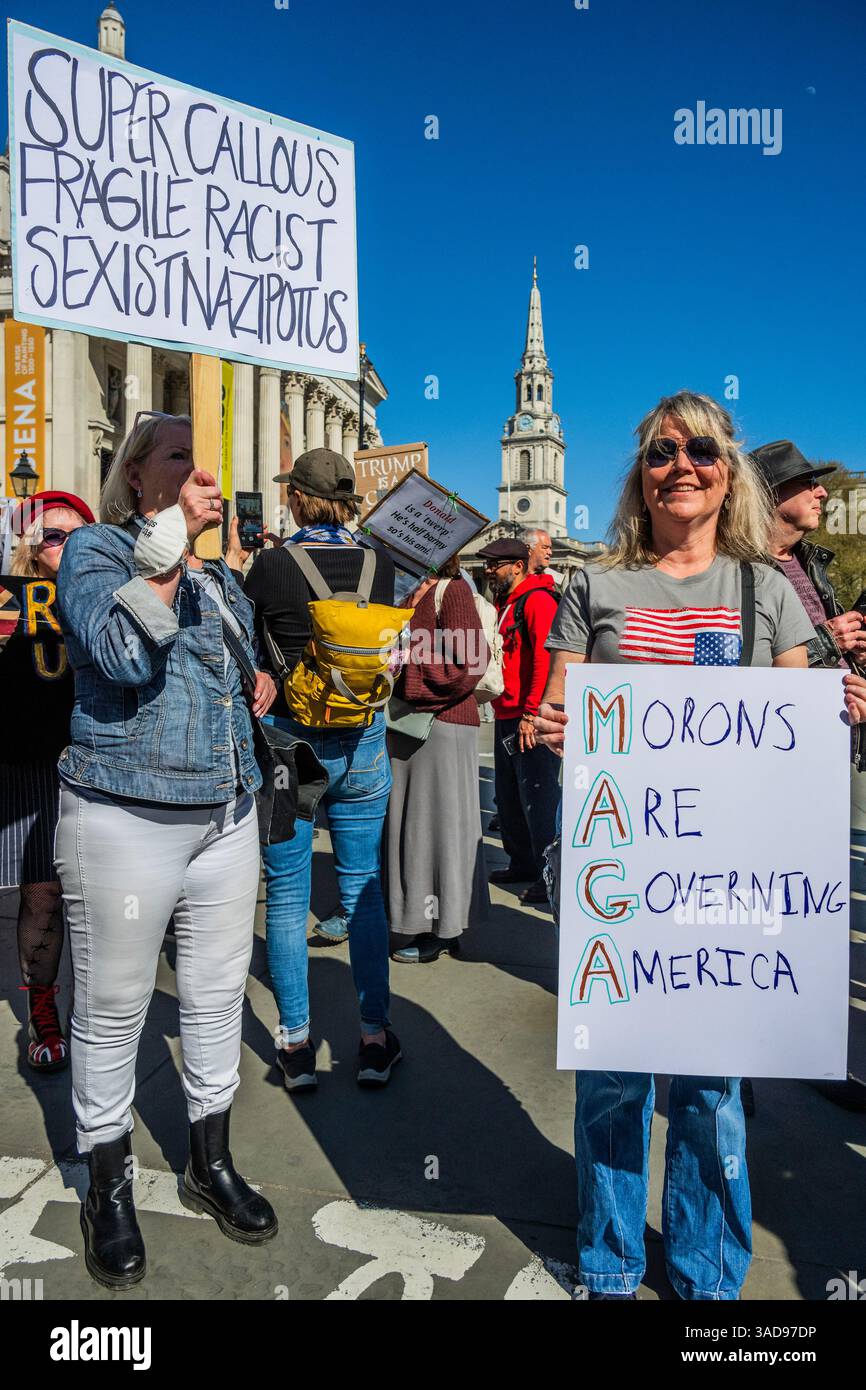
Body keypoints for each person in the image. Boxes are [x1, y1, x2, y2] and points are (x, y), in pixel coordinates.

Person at [532, 389, 862, 1302]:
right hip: (624, 879)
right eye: (661, 452)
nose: (681, 466)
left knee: (712, 1093)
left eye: (702, 453)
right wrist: (553, 721)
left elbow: (802, 723)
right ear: (639, 476)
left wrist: (837, 709)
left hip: (730, 882)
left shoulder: (766, 589)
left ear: (729, 476)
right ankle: (607, 1260)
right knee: (612, 1083)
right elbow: (564, 706)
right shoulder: (593, 586)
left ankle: (707, 1272)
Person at [55, 412, 279, 1291]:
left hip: (226, 814)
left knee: (218, 994)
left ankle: (208, 1161)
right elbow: (116, 654)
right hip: (125, 814)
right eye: (184, 462)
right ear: (139, 477)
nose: (208, 480)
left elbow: (238, 670)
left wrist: (255, 680)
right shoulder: (97, 555)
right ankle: (106, 1187)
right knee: (113, 1005)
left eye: (208, 468)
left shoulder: (224, 580)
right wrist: (166, 559)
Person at [238, 448, 401, 1091]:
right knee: (361, 887)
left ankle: (297, 1044)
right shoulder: (378, 565)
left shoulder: (271, 565)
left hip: (290, 749)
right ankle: (372, 1038)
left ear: (300, 499)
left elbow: (245, 646)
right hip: (362, 739)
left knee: (287, 892)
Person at [752, 438, 866, 1110]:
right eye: (808, 484)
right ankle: (742, 1051)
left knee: (813, 911)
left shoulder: (811, 565)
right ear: (772, 497)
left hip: (821, 757)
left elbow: (824, 665)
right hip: (767, 767)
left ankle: (813, 1051)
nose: (824, 493)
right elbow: (740, 672)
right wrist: (832, 644)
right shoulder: (741, 569)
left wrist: (852, 680)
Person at [0, 491, 94, 1071]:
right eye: (51, 536)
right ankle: (44, 1011)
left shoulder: (111, 596)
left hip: (100, 765)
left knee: (103, 902)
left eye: (76, 535)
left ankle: (102, 1018)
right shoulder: (8, 605)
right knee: (42, 895)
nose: (63, 545)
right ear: (32, 549)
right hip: (34, 766)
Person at [384, 553, 489, 963]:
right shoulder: (411, 595)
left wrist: (404, 670)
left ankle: (441, 927)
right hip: (411, 725)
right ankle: (428, 922)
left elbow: (470, 663)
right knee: (416, 828)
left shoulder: (454, 591)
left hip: (441, 725)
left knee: (438, 829)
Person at [480, 537, 560, 906]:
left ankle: (549, 876)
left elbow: (545, 661)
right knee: (510, 798)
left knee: (538, 800)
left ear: (516, 565)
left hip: (528, 717)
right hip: (505, 713)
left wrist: (533, 712)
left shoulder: (538, 600)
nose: (488, 571)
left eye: (494, 565)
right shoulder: (506, 602)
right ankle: (522, 862)